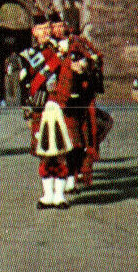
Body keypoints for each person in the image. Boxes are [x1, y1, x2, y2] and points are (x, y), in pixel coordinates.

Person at [50, 12, 107, 192]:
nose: (58, 29)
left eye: (60, 24)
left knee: (80, 140)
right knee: (59, 142)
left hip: (79, 99)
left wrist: (85, 66)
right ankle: (60, 178)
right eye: (54, 25)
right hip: (56, 100)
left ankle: (74, 174)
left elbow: (96, 59)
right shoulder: (47, 48)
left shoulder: (79, 43)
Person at [27, 11, 78, 209]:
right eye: (41, 28)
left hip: (58, 106)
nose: (46, 31)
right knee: (45, 152)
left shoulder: (60, 50)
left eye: (48, 27)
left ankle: (60, 195)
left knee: (61, 151)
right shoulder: (30, 54)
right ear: (34, 31)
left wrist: (59, 100)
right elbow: (28, 83)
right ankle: (47, 195)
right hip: (40, 107)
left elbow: (66, 77)